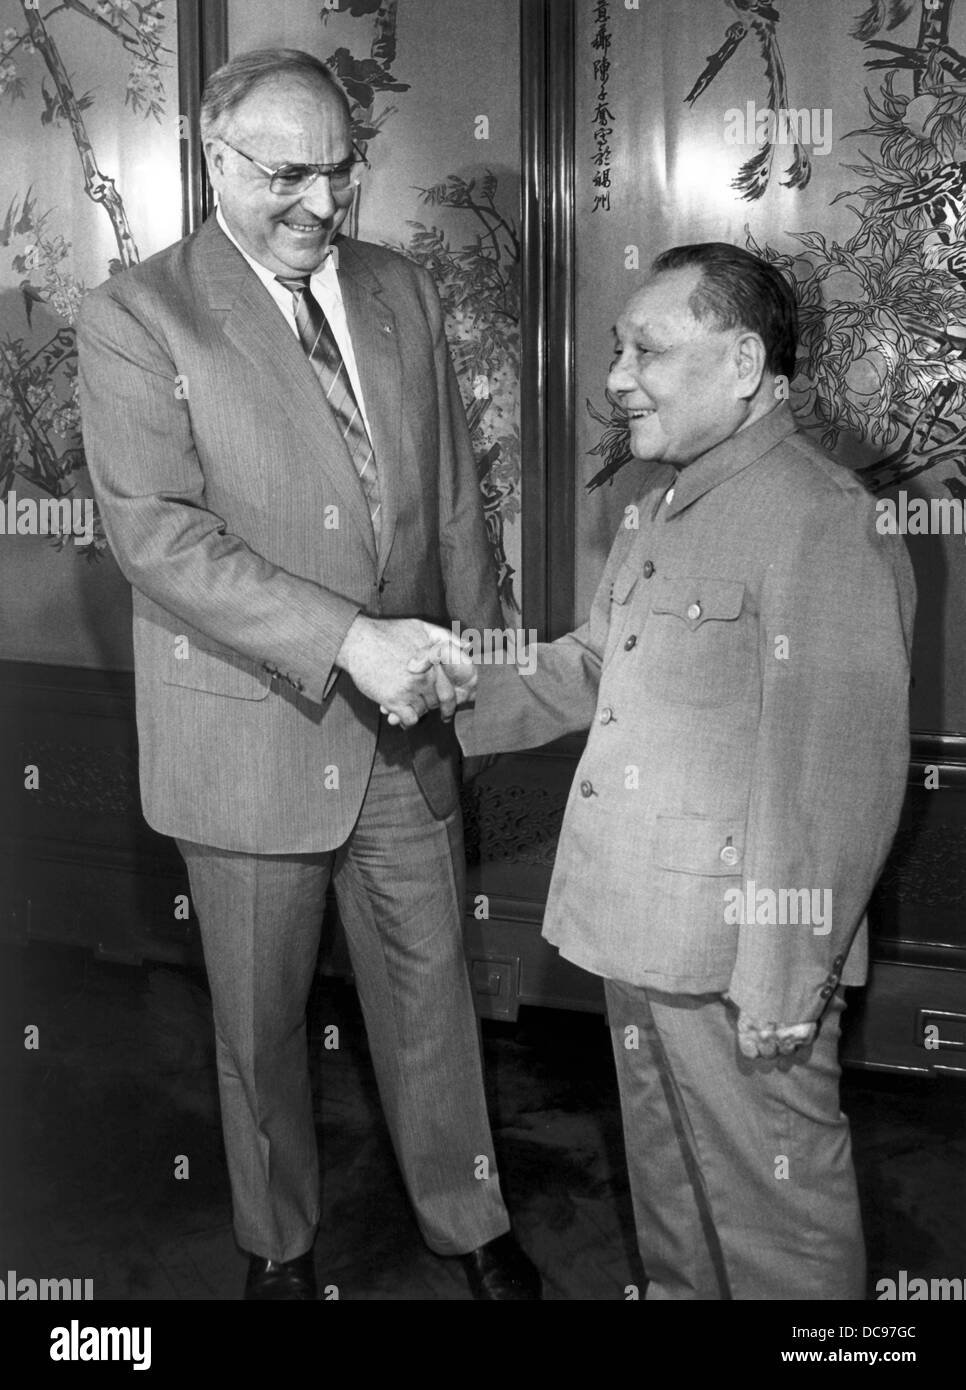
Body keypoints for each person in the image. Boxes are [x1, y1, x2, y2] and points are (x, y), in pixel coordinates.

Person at [76, 47, 540, 1302]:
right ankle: (278, 1248)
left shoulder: (399, 289)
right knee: (258, 1028)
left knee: (432, 997)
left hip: (408, 735)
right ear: (216, 161)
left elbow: (450, 499)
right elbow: (160, 536)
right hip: (251, 734)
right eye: (288, 174)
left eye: (342, 171)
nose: (323, 204)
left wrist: (480, 668)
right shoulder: (138, 316)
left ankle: (473, 1227)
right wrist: (347, 638)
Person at [423, 243, 916, 1299]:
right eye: (617, 349)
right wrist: (442, 689)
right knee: (674, 1197)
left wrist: (788, 972)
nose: (617, 376)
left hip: (741, 962)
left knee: (780, 1225)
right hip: (640, 934)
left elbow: (837, 775)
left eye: (647, 348)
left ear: (743, 364)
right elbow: (592, 667)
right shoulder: (661, 508)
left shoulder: (820, 518)